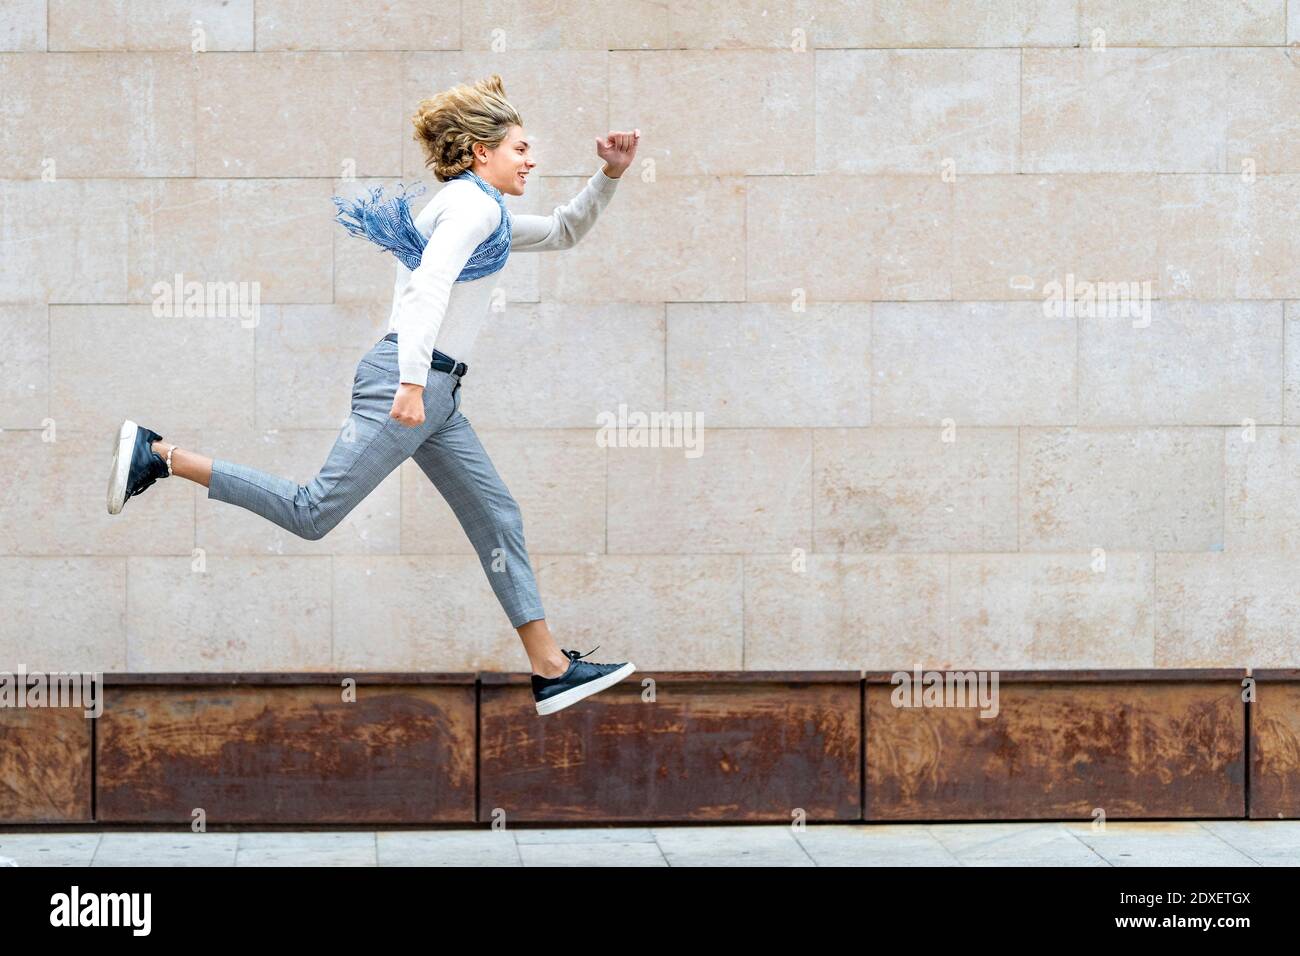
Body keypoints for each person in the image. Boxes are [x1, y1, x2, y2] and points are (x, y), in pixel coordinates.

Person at [105, 74, 641, 716]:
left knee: (498, 516)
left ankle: (550, 667)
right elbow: (428, 289)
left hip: (438, 396)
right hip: (407, 382)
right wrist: (412, 383)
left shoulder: (485, 212)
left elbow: (562, 232)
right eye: (521, 148)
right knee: (313, 512)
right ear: (481, 152)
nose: (532, 159)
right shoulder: (469, 207)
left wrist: (608, 175)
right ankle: (159, 454)